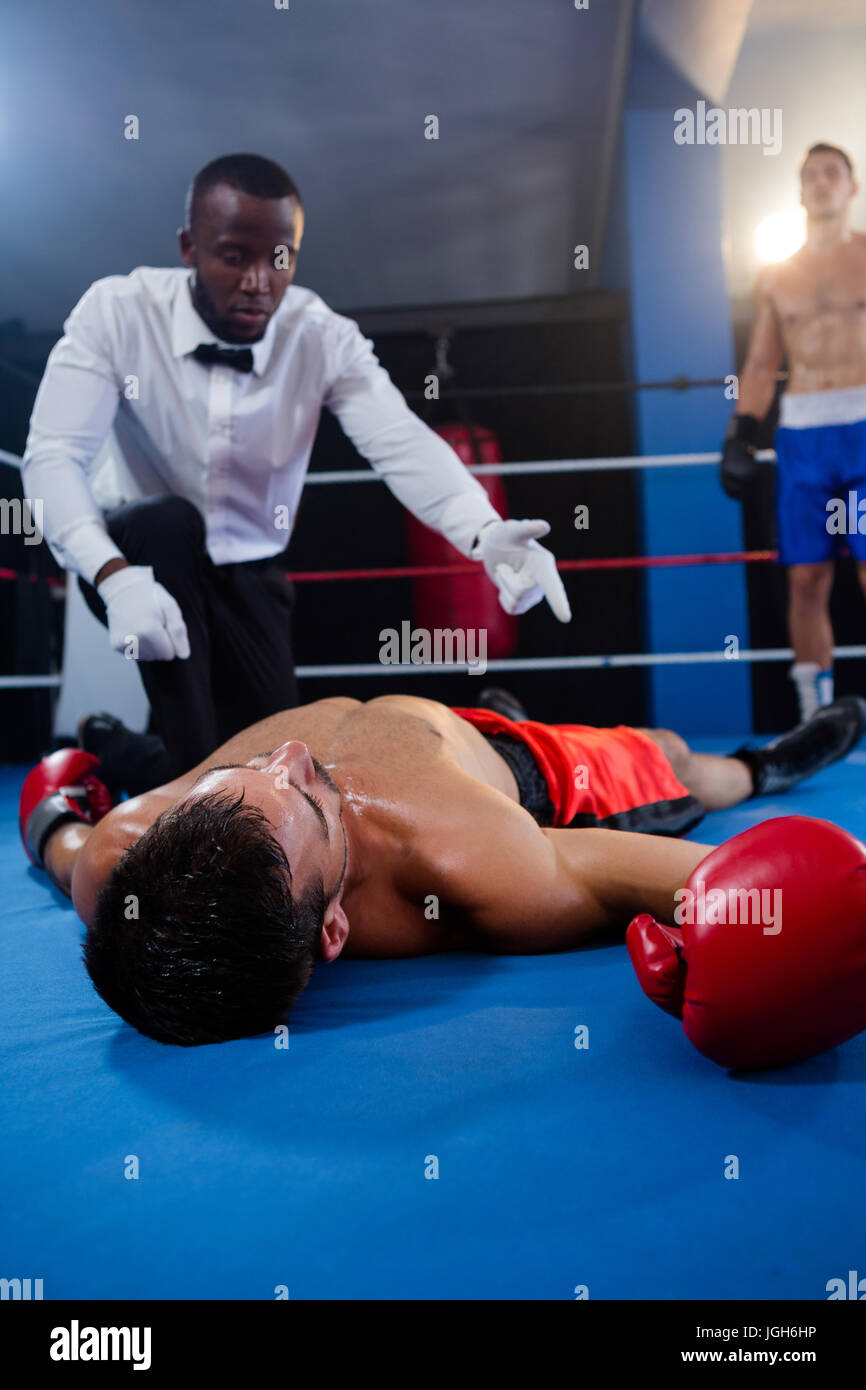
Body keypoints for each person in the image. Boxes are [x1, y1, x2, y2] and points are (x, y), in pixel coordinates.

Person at [21, 153, 569, 781]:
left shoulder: (320, 335)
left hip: (251, 572)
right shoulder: (117, 311)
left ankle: (114, 746)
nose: (260, 280)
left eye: (279, 257)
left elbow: (400, 439)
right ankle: (191, 802)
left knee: (274, 760)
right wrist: (112, 576)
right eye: (234, 256)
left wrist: (483, 530)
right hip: (138, 555)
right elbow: (53, 456)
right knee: (170, 532)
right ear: (188, 248)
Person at [20, 691, 866, 1049]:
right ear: (334, 927)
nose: (292, 752)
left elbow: (58, 840)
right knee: (671, 758)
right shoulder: (467, 859)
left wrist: (53, 814)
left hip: (433, 725)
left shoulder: (121, 858)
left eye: (229, 778)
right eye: (308, 799)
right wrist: (769, 938)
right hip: (529, 771)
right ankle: (767, 762)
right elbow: (686, 875)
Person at [721, 142, 866, 723]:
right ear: (800, 191)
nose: (821, 182)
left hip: (863, 426)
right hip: (804, 431)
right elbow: (761, 363)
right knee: (805, 577)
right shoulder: (778, 277)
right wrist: (741, 432)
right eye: (811, 175)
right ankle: (816, 715)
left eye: (833, 173)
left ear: (851, 188)